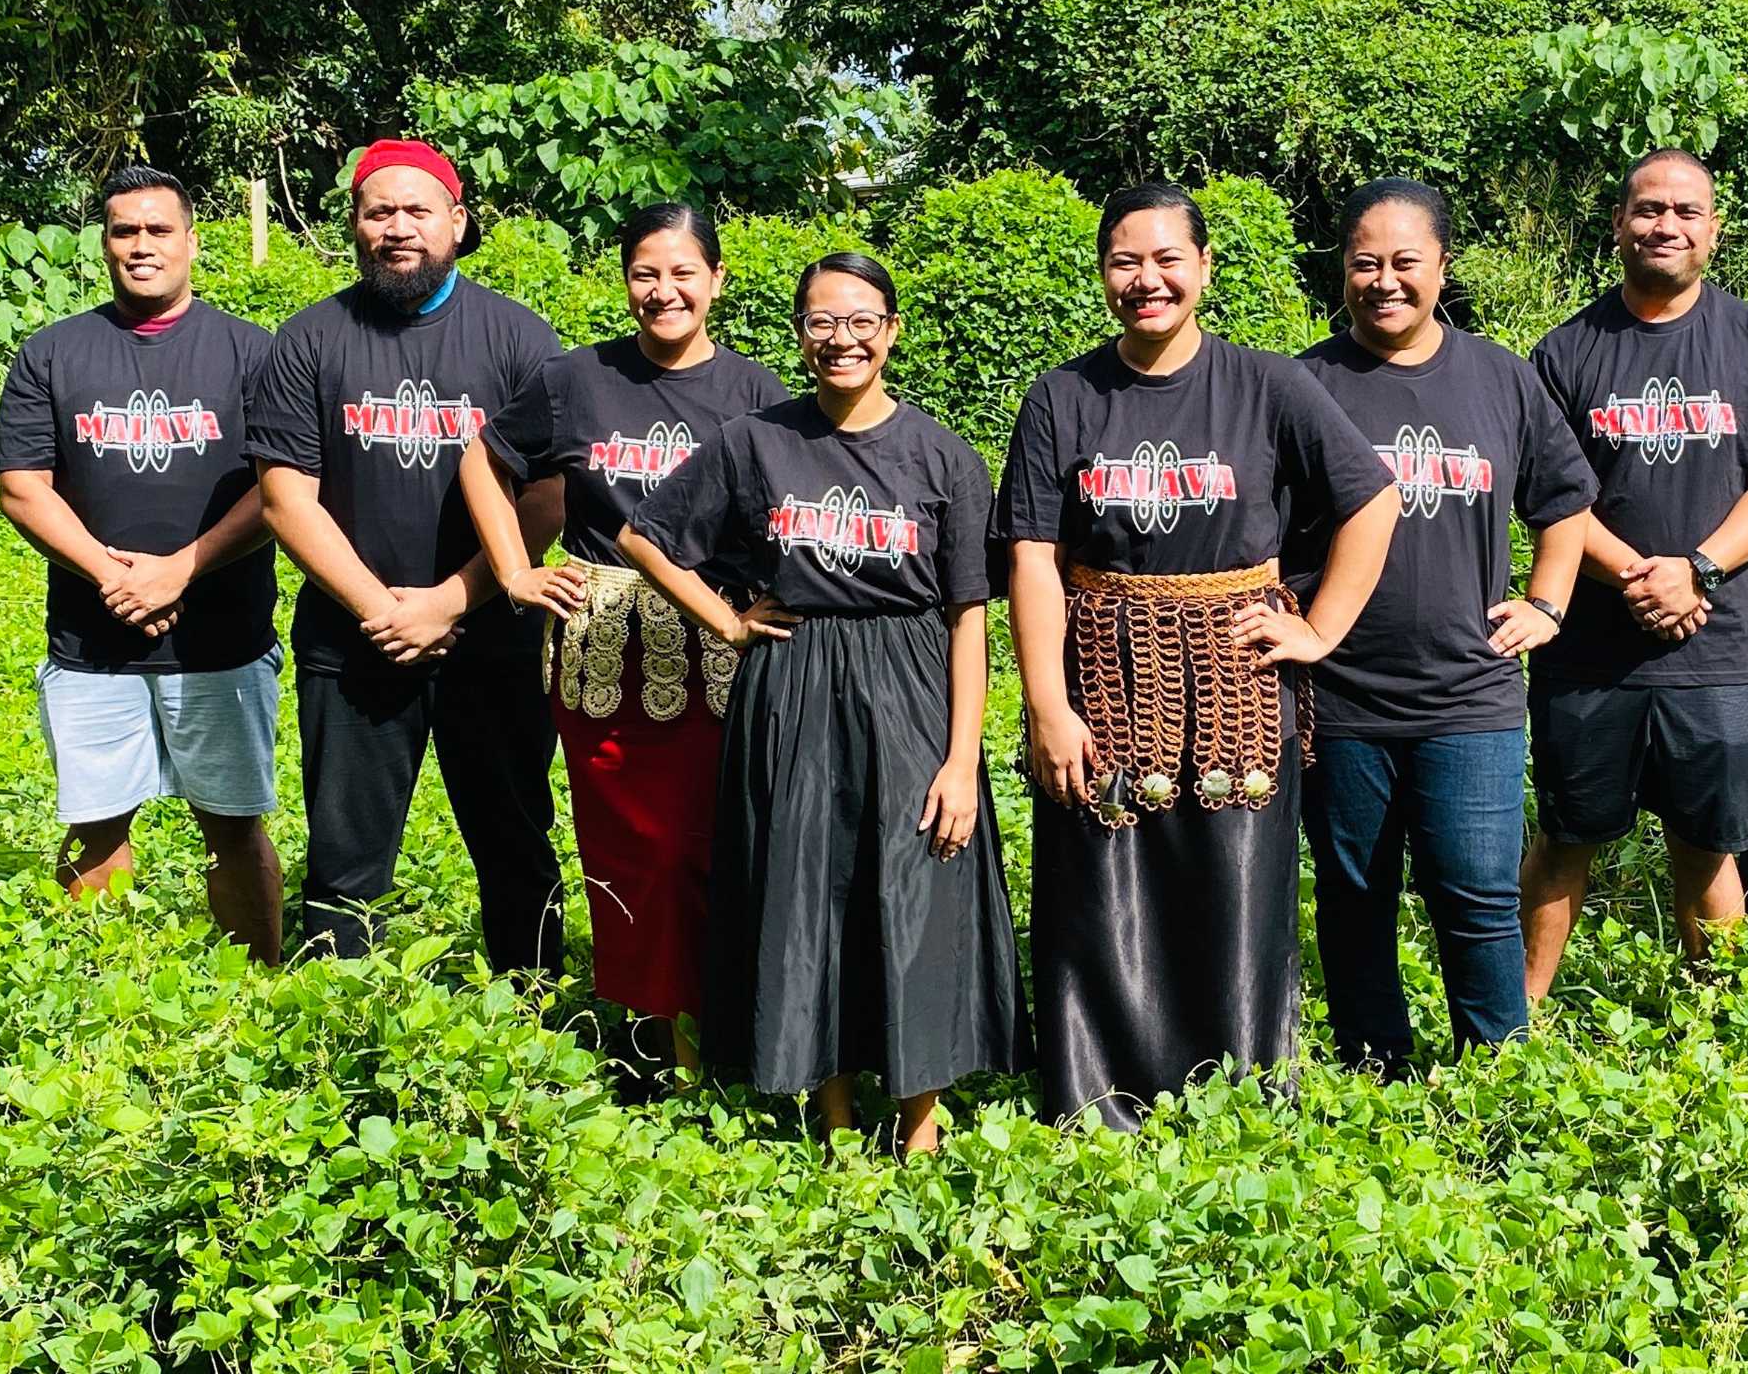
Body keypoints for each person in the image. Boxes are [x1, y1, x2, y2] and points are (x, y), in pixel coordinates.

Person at [1001, 181, 1399, 1131]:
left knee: (1237, 886)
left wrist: (1320, 629)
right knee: (1102, 889)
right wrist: (1050, 706)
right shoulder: (1063, 397)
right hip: (1102, 673)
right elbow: (1032, 557)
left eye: (1168, 259)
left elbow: (1371, 498)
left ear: (1204, 268)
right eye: (1126, 261)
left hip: (1237, 677)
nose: (1148, 281)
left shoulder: (1267, 385)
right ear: (1104, 274)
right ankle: (1101, 1102)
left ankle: (1242, 1100)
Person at [615, 252, 1024, 1153]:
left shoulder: (942, 455)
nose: (841, 340)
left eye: (860, 322)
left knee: (919, 886)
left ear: (892, 332)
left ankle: (921, 1117)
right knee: (807, 891)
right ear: (799, 333)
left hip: (911, 682)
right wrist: (724, 620)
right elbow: (645, 537)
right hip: (793, 682)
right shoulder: (756, 441)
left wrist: (962, 760)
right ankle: (832, 1112)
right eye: (821, 323)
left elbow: (967, 617)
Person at [460, 202, 787, 1072]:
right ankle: (646, 1042)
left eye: (684, 272)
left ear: (717, 279)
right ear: (624, 280)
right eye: (646, 272)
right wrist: (514, 570)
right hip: (604, 645)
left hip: (720, 646)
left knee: (719, 840)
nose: (664, 291)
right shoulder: (576, 381)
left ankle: (728, 1035)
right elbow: (481, 461)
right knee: (628, 848)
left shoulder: (759, 395)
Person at [1289, 178, 1596, 1073]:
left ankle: (1495, 1066)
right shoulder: (1306, 384)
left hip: (1471, 693)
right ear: (1342, 271)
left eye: (1404, 263)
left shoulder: (1500, 378)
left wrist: (1547, 603)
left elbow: (1565, 503)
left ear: (1442, 268)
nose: (1384, 282)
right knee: (1353, 894)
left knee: (1477, 891)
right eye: (1364, 264)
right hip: (1341, 695)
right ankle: (1372, 1067)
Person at [245, 139, 567, 968]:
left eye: (417, 210)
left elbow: (547, 498)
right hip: (352, 642)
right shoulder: (310, 341)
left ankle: (534, 1016)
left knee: (516, 846)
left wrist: (448, 601)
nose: (398, 228)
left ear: (457, 221)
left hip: (493, 636)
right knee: (346, 861)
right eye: (378, 211)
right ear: (354, 224)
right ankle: (337, 1033)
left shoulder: (522, 341)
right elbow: (286, 497)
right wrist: (382, 609)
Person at [1520, 149, 1748, 997]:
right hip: (1588, 653)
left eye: (1687, 212)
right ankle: (1514, 1025)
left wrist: (1698, 570)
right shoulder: (1566, 351)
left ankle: (1720, 1021)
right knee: (1568, 834)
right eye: (1648, 210)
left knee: (1708, 840)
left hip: (1717, 649)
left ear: (1714, 229)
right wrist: (1634, 577)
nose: (1666, 226)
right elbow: (1548, 492)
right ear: (1618, 224)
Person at [0, 165, 285, 958]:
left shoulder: (253, 354)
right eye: (126, 231)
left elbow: (281, 490)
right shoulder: (53, 354)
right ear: (104, 244)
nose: (143, 245)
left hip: (221, 641)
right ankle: (101, 997)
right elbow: (22, 489)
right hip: (93, 644)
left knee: (233, 827)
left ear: (193, 242)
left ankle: (258, 985)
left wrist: (181, 567)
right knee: (96, 827)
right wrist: (115, 575)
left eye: (160, 230)